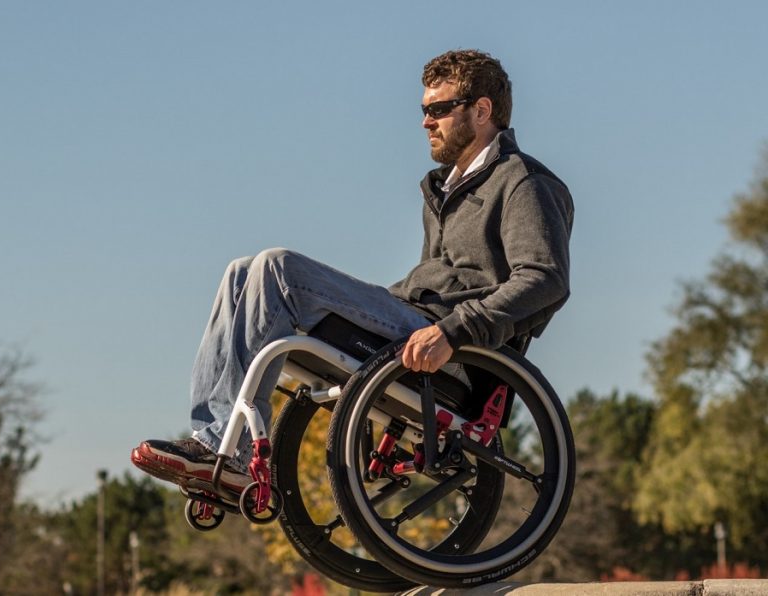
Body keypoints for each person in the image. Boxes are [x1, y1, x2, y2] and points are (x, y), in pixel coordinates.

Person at [131, 49, 574, 493]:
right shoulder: (444, 190)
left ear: (482, 111)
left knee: (276, 268)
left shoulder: (523, 182)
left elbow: (545, 279)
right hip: (412, 319)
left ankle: (230, 454)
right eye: (423, 111)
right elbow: (434, 278)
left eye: (439, 109)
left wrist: (455, 331)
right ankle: (214, 441)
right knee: (240, 274)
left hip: (454, 348)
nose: (426, 122)